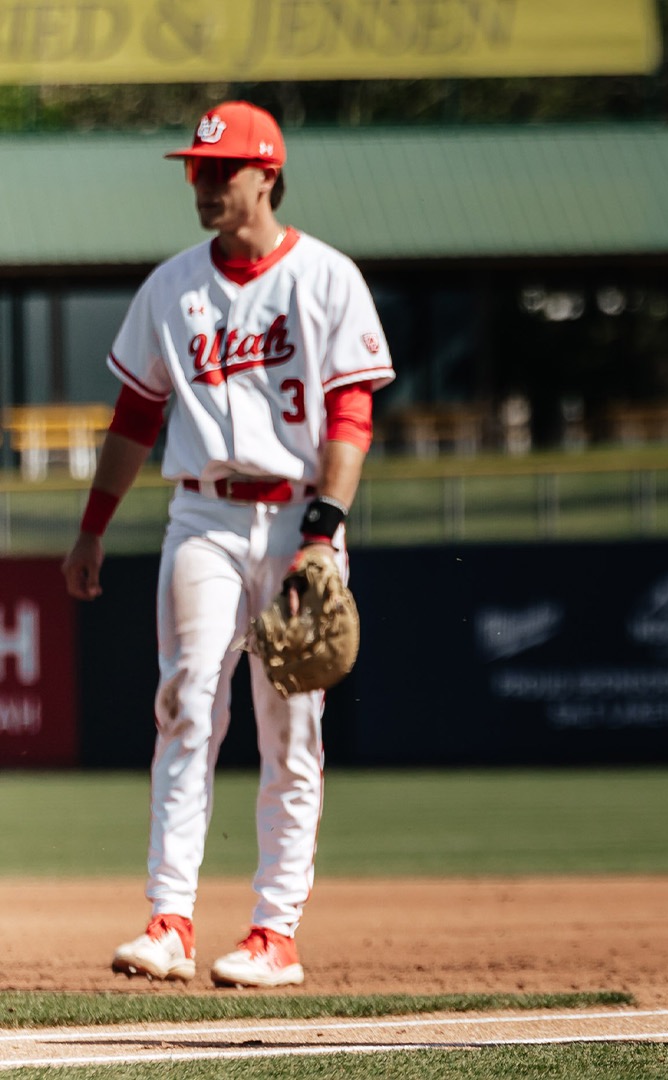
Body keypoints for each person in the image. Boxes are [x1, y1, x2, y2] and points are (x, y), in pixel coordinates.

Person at [62, 101, 392, 988]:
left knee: (291, 727)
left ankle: (273, 934)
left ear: (267, 175)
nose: (204, 183)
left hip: (297, 515)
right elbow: (137, 414)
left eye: (221, 170)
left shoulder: (325, 278)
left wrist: (325, 530)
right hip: (201, 516)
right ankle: (168, 919)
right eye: (197, 170)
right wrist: (93, 527)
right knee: (186, 703)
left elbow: (351, 409)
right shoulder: (172, 287)